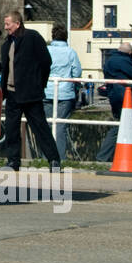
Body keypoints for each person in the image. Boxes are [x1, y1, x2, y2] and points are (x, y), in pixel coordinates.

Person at [0, 11, 59, 172]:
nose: (5, 27)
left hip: (31, 92)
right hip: (12, 93)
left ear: (17, 24)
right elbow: (5, 67)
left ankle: (54, 160)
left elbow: (46, 62)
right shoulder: (7, 43)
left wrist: (40, 83)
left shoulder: (33, 37)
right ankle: (13, 162)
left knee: (40, 128)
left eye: (8, 24)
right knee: (11, 129)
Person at [97, 42, 132, 163]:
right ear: (129, 52)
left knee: (118, 127)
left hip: (114, 98)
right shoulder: (127, 61)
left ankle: (102, 157)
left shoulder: (110, 61)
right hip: (129, 98)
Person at [44, 24, 82, 162]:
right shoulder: (70, 52)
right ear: (66, 37)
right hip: (64, 93)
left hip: (46, 91)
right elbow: (76, 72)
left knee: (46, 126)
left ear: (53, 36)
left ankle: (46, 157)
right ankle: (59, 158)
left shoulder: (45, 50)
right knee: (60, 126)